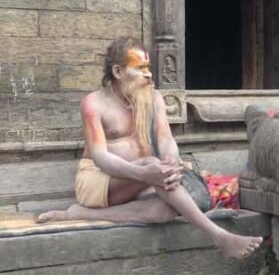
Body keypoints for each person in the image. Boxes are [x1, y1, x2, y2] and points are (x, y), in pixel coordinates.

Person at [38, 37, 262, 260]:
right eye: (140, 68)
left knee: (164, 211)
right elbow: (100, 157)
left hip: (144, 180)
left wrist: (171, 164)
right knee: (153, 165)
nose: (149, 74)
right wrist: (144, 172)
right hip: (99, 182)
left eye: (149, 68)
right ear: (118, 71)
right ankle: (219, 237)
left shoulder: (154, 98)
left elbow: (165, 140)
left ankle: (79, 213)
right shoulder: (93, 104)